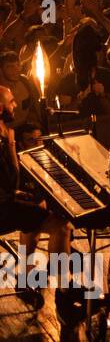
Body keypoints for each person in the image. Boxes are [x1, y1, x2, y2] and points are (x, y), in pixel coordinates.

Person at [0, 84, 75, 313]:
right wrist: (12, 142)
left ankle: (25, 277)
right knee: (61, 226)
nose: (14, 105)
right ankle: (64, 294)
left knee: (32, 215)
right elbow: (12, 178)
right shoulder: (3, 137)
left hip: (5, 201)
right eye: (10, 101)